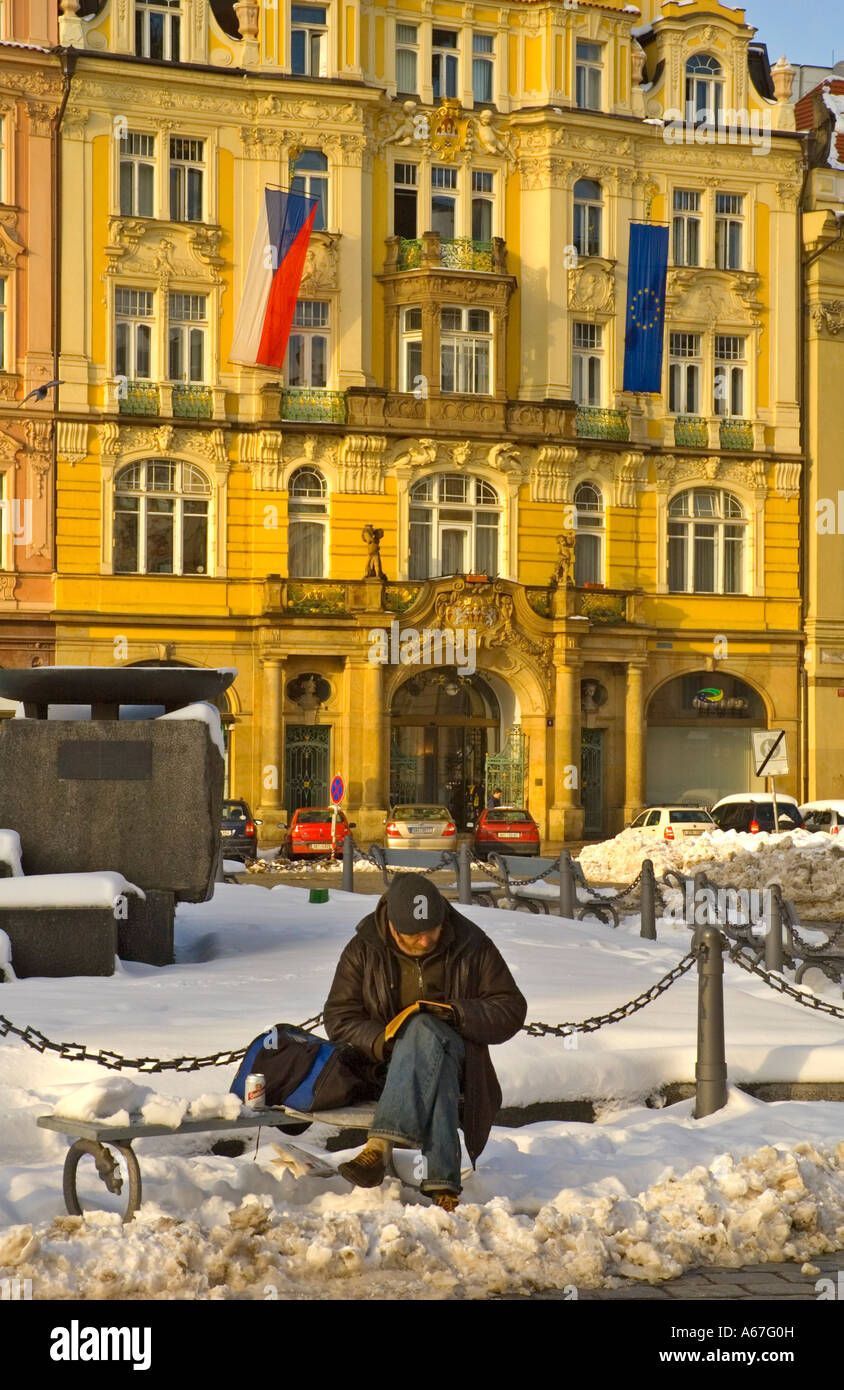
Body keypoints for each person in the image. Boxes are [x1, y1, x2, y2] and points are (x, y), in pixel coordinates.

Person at [323, 873, 526, 1211]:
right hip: (382, 1066)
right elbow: (339, 1017)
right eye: (413, 936)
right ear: (391, 926)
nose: (424, 941)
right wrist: (383, 1039)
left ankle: (380, 1144)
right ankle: (443, 1186)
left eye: (431, 930)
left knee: (425, 1027)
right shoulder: (363, 948)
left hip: (463, 1061)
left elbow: (511, 1008)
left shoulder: (471, 943)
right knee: (429, 1048)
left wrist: (458, 1014)